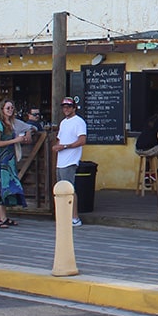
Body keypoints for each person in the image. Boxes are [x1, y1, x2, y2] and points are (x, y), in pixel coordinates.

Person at [0, 99, 30, 228]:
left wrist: (26, 134)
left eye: (12, 108)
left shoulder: (11, 124)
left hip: (9, 159)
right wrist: (15, 140)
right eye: (8, 108)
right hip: (0, 159)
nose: (10, 110)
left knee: (6, 187)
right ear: (2, 110)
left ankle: (3, 217)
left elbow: (28, 127)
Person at [53, 96, 87, 227]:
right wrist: (58, 146)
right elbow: (60, 139)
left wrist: (65, 146)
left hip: (70, 161)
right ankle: (64, 216)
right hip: (61, 161)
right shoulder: (63, 122)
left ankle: (75, 217)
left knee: (70, 190)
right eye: (64, 107)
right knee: (61, 190)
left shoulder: (79, 122)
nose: (66, 109)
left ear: (74, 108)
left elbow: (82, 140)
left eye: (68, 107)